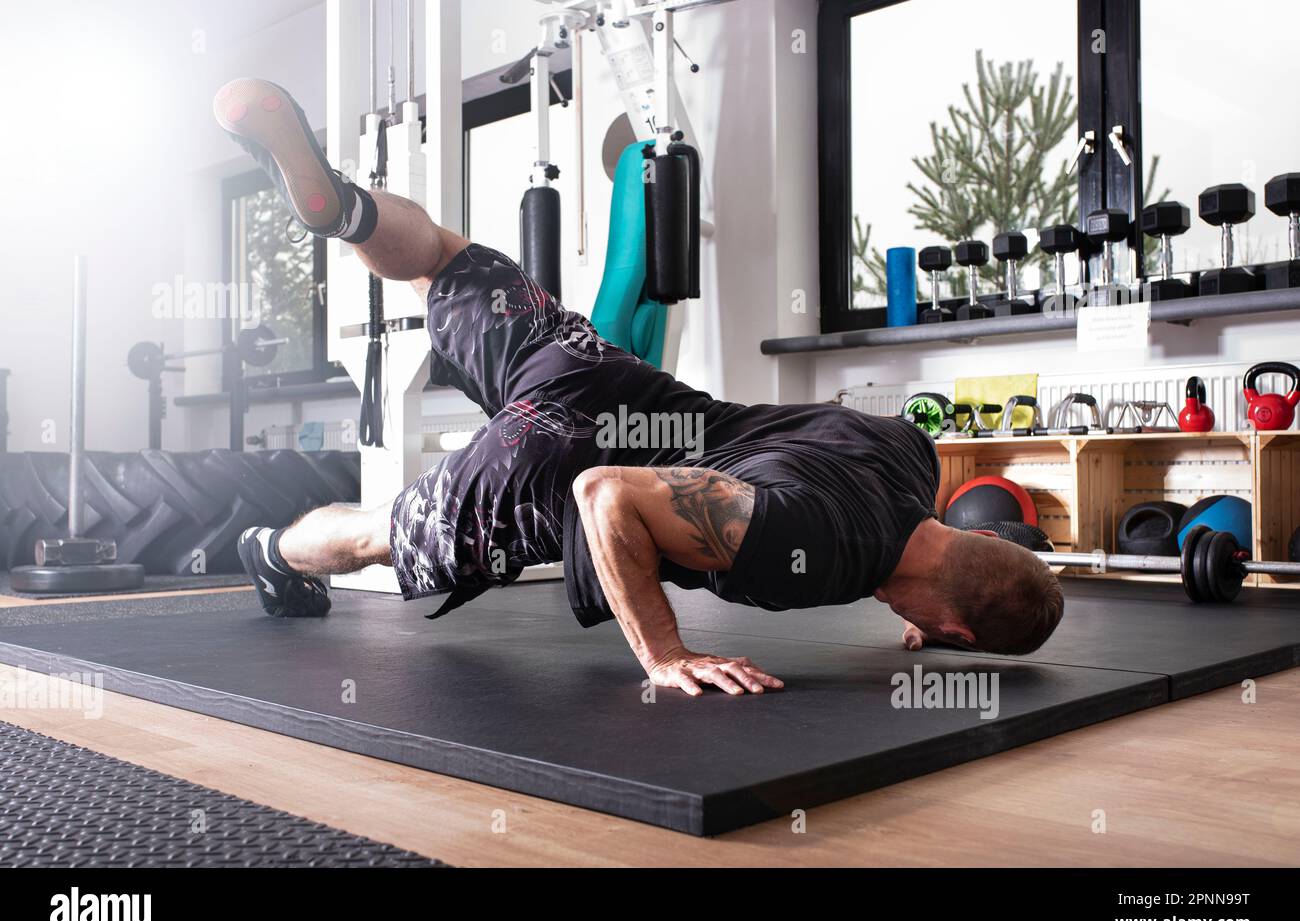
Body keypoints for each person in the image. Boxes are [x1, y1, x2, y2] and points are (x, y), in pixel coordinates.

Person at [217, 78, 1064, 698]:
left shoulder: (909, 458)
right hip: (552, 464)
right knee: (379, 535)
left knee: (440, 254)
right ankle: (270, 552)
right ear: (952, 633)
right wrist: (664, 653)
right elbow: (604, 492)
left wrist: (913, 597)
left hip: (597, 373)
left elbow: (912, 551)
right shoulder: (815, 545)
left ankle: (348, 216)